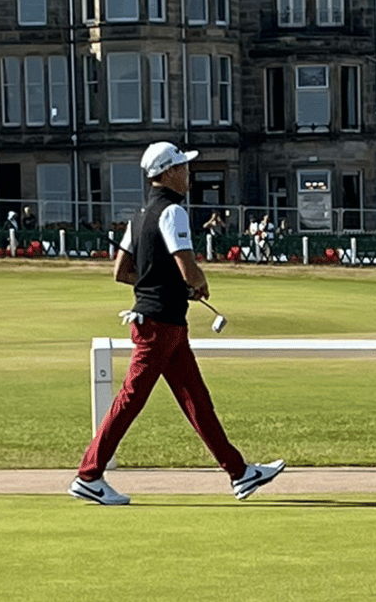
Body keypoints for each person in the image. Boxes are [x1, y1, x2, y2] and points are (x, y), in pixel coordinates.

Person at [69, 142, 285, 506]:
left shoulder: (138, 217)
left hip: (164, 323)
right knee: (130, 400)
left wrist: (163, 284)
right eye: (183, 167)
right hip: (159, 326)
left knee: (196, 400)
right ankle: (88, 475)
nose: (188, 173)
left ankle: (239, 473)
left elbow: (121, 272)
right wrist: (198, 285)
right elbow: (187, 266)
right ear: (168, 173)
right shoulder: (173, 212)